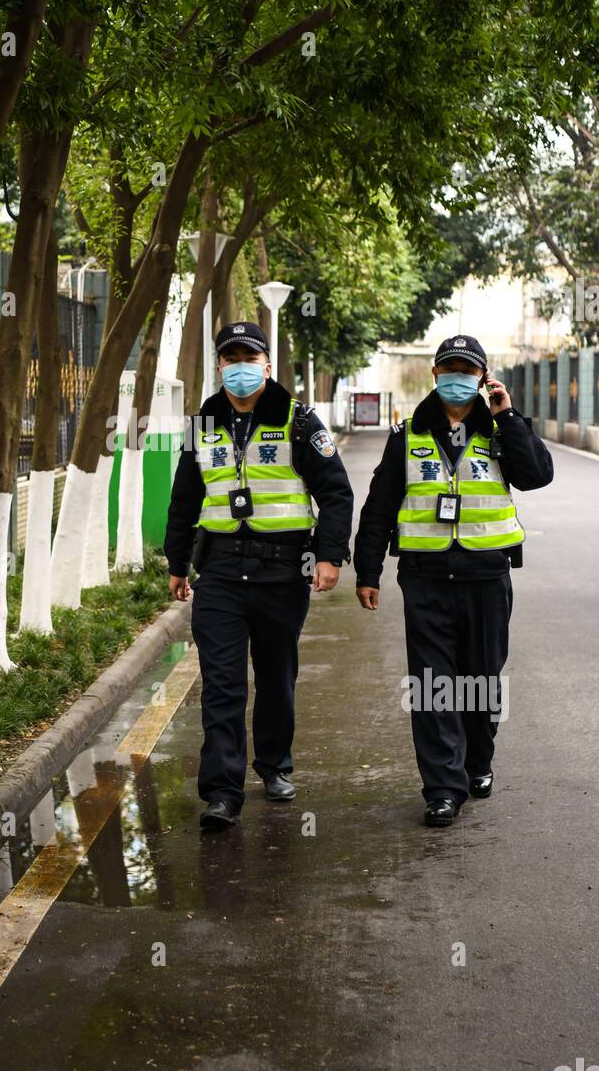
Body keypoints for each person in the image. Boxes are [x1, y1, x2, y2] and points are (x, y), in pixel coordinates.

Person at [354, 335, 554, 827]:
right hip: (425, 578)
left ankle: (477, 763)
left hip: (487, 575)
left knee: (480, 677)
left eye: (469, 370)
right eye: (450, 369)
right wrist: (368, 570)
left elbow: (536, 476)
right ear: (435, 374)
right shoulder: (408, 434)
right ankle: (443, 787)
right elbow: (380, 505)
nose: (457, 378)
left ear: (483, 377)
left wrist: (507, 415)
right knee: (432, 684)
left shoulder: (502, 428)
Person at [165, 321, 354, 830]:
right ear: (220, 366)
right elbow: (184, 498)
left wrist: (331, 556)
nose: (241, 367)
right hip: (221, 572)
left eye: (250, 358)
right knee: (222, 683)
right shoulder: (201, 425)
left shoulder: (299, 419)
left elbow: (335, 492)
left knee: (275, 679)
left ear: (266, 366)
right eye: (231, 358)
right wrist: (176, 564)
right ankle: (223, 793)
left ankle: (273, 766)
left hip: (281, 572)